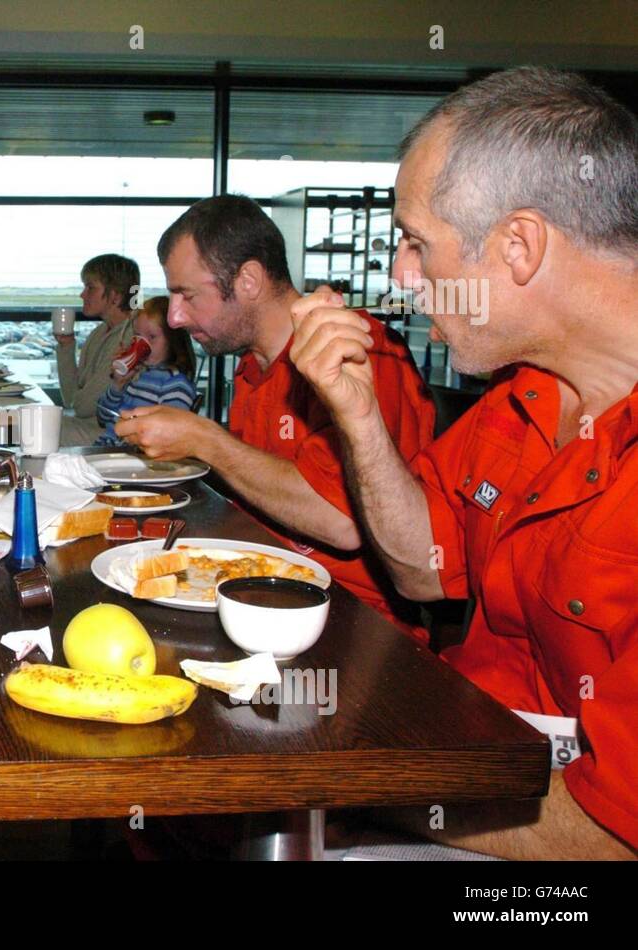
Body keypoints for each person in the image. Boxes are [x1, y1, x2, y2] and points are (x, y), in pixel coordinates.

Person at [290, 67, 638, 859]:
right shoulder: (524, 400)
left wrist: (347, 784)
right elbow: (422, 571)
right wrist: (357, 417)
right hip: (474, 757)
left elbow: (614, 836)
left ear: (519, 246)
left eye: (417, 242)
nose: (401, 277)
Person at [116, 196, 436, 642]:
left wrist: (206, 441)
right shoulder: (251, 370)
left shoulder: (356, 350)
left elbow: (341, 523)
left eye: (187, 295)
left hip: (357, 624)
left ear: (248, 280)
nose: (174, 316)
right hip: (256, 590)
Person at [94, 296, 197, 446]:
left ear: (172, 340)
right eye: (138, 336)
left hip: (131, 455)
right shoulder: (138, 375)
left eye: (152, 337)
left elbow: (167, 434)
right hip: (108, 447)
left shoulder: (175, 384)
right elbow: (102, 417)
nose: (143, 343)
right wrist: (118, 384)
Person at [55, 253, 140, 429]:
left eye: (90, 288)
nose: (82, 295)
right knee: (28, 424)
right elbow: (71, 398)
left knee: (32, 427)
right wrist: (66, 346)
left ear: (116, 296)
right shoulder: (99, 333)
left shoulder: (129, 338)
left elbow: (82, 407)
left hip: (113, 434)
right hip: (87, 425)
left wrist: (79, 400)